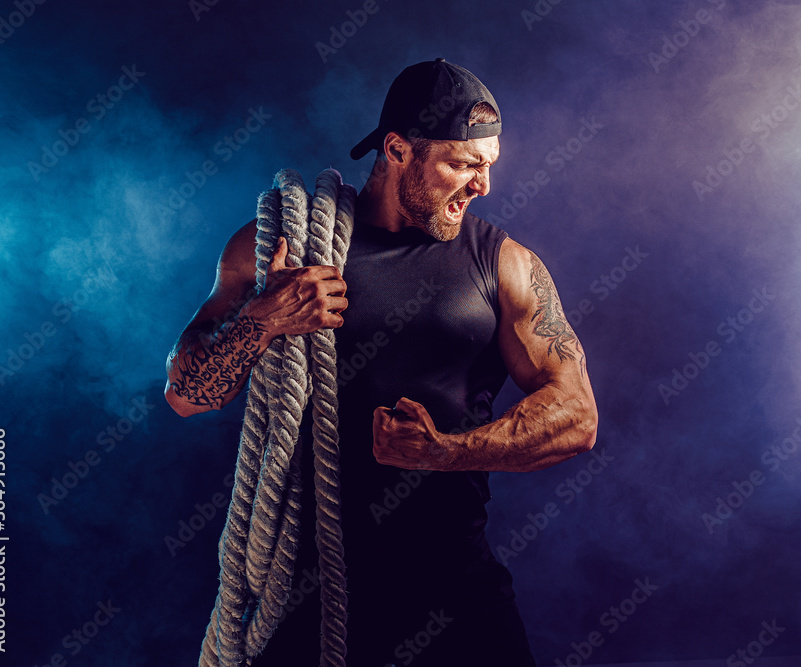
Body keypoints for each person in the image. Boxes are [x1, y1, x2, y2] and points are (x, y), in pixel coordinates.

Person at [165, 58, 598, 666]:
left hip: (452, 590)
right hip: (306, 597)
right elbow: (185, 396)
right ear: (397, 150)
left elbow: (578, 416)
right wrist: (263, 319)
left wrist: (446, 452)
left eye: (488, 165)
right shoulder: (283, 249)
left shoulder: (504, 264)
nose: (482, 187)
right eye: (463, 164)